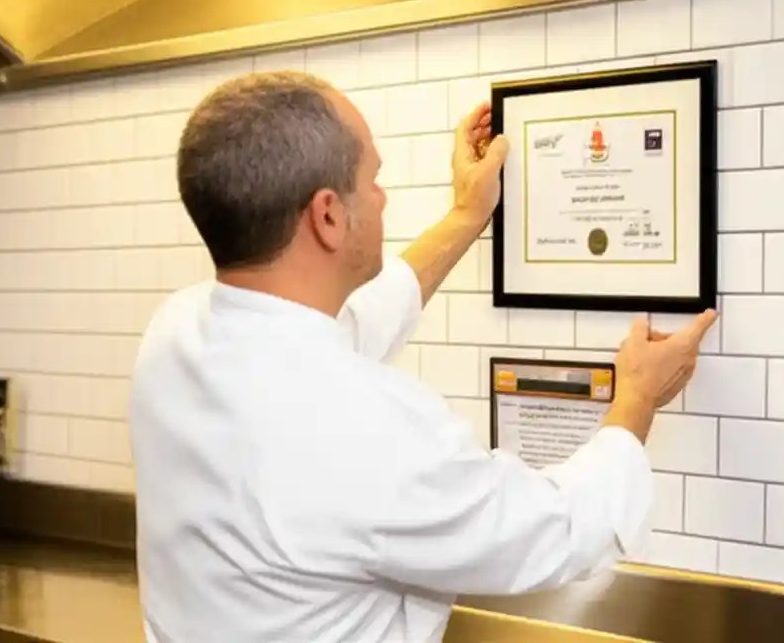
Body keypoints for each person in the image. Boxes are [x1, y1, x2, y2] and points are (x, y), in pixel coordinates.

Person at [127, 70, 718, 643]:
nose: (382, 197)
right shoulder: (361, 427)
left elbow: (349, 328)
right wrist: (638, 398)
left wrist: (467, 215)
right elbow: (557, 532)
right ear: (328, 214)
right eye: (372, 178)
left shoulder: (176, 331)